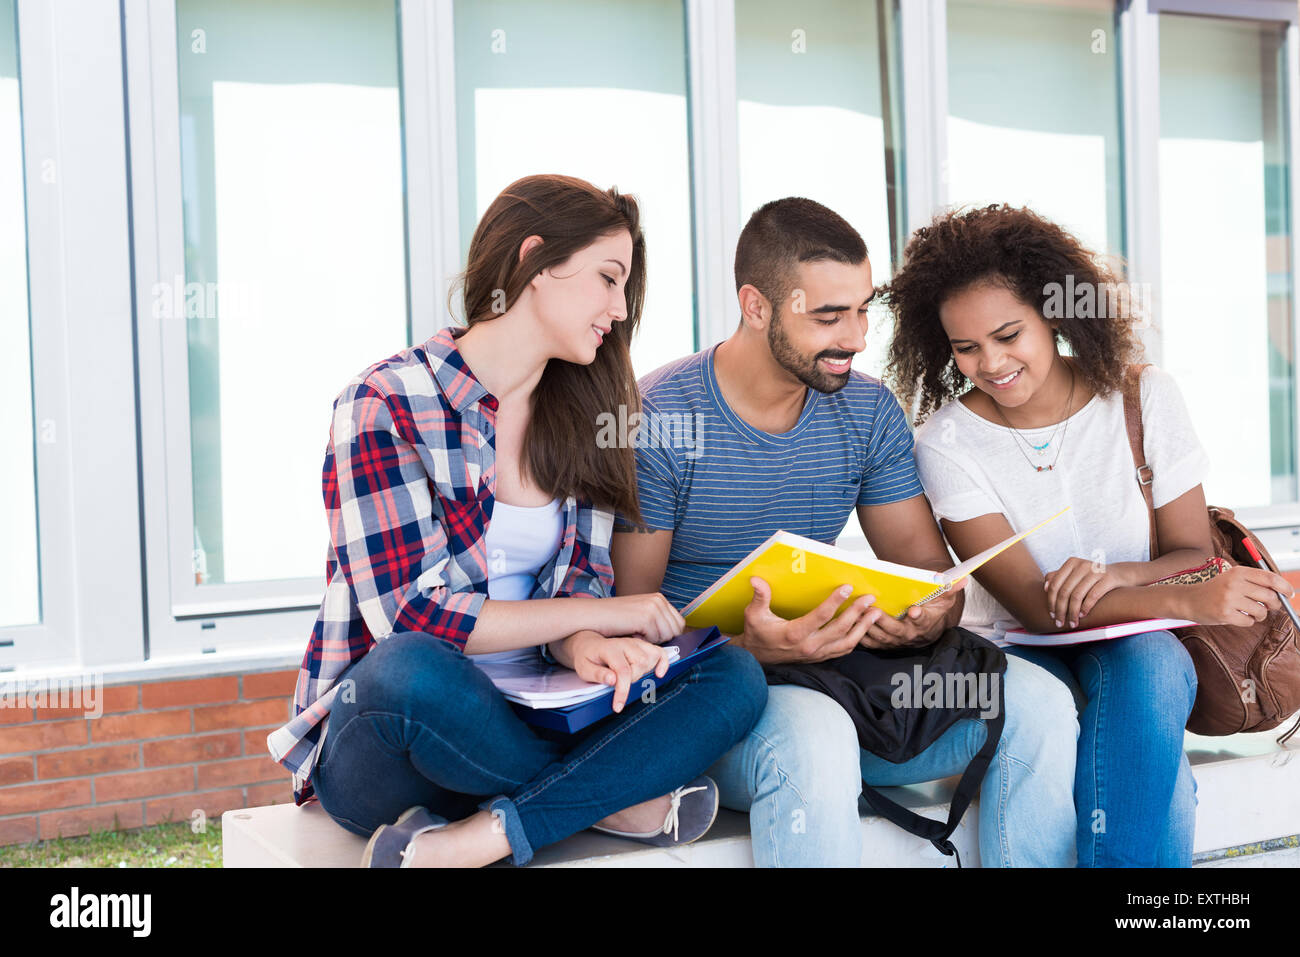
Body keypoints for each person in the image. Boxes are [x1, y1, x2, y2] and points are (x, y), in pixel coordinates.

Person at [266, 174, 768, 868]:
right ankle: (612, 797)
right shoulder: (386, 402)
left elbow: (580, 587)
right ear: (537, 259)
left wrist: (585, 642)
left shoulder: (587, 419)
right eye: (607, 278)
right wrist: (602, 617)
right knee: (411, 671)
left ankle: (485, 834)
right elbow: (413, 616)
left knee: (732, 679)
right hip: (395, 743)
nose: (619, 309)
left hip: (538, 713)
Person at [611, 197, 1079, 867]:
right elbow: (630, 632)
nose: (856, 337)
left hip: (842, 684)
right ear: (756, 305)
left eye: (863, 309)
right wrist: (749, 646)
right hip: (710, 705)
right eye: (828, 316)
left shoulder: (866, 410)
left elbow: (930, 575)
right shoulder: (659, 417)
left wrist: (926, 615)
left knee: (1035, 702)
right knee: (817, 733)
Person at [886, 203, 1296, 867]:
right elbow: (1036, 607)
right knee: (1144, 712)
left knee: (1152, 661)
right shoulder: (947, 442)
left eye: (1007, 334)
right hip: (1020, 653)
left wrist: (1126, 575)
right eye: (965, 347)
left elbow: (1192, 552)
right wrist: (1186, 600)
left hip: (1138, 649)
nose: (989, 362)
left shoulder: (1144, 398)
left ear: (1054, 313)